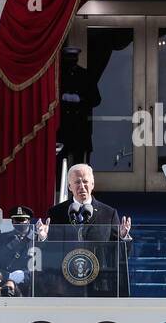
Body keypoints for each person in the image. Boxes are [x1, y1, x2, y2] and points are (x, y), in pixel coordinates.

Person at [36, 163, 132, 296]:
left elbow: (120, 255)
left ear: (92, 184)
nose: (82, 186)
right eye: (77, 182)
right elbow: (47, 252)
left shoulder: (108, 213)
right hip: (64, 285)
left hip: (98, 284)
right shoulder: (56, 213)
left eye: (85, 181)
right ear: (69, 186)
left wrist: (123, 238)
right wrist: (43, 238)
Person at [56, 46, 101, 183]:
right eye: (68, 58)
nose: (71, 60)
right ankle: (59, 187)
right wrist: (60, 98)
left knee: (79, 160)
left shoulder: (85, 75)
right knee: (60, 159)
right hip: (62, 125)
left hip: (80, 125)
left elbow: (96, 99)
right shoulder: (58, 75)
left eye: (73, 58)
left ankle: (80, 187)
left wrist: (81, 99)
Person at [0, 206, 36, 292]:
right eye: (16, 220)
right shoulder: (1, 239)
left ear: (29, 221)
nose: (19, 223)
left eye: (22, 220)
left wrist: (24, 275)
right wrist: (8, 276)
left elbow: (42, 266)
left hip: (30, 287)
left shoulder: (37, 239)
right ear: (12, 221)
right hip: (4, 285)